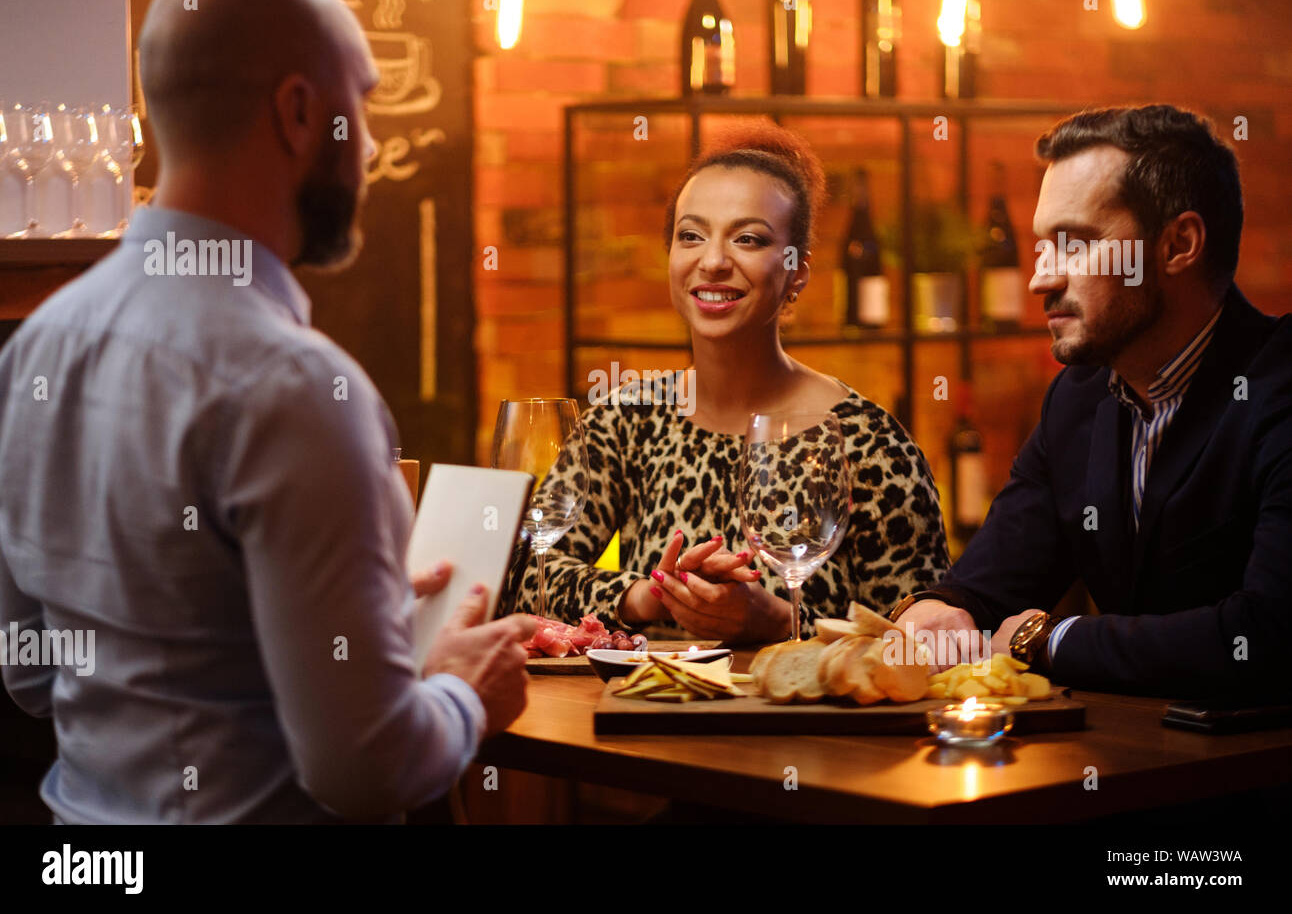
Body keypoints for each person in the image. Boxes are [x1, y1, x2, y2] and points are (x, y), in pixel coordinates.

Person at [0, 0, 532, 824]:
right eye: (362, 104)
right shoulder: (298, 388)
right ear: (297, 113)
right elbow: (365, 772)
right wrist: (463, 691)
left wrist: (346, 612)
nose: (374, 143)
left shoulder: (33, 354)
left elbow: (31, 676)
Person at [892, 104, 1292, 698]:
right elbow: (990, 581)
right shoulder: (1077, 399)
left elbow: (1266, 638)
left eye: (1074, 245)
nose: (1040, 279)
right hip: (1128, 769)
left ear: (1179, 244)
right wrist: (938, 607)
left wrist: (1047, 641)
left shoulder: (1278, 386)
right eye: (1042, 248)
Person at [501, 123, 950, 642]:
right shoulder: (627, 418)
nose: (712, 262)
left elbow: (925, 641)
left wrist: (784, 624)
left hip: (811, 723)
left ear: (798, 270)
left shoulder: (870, 443)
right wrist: (649, 594)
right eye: (690, 235)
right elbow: (522, 578)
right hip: (650, 716)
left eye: (748, 239)